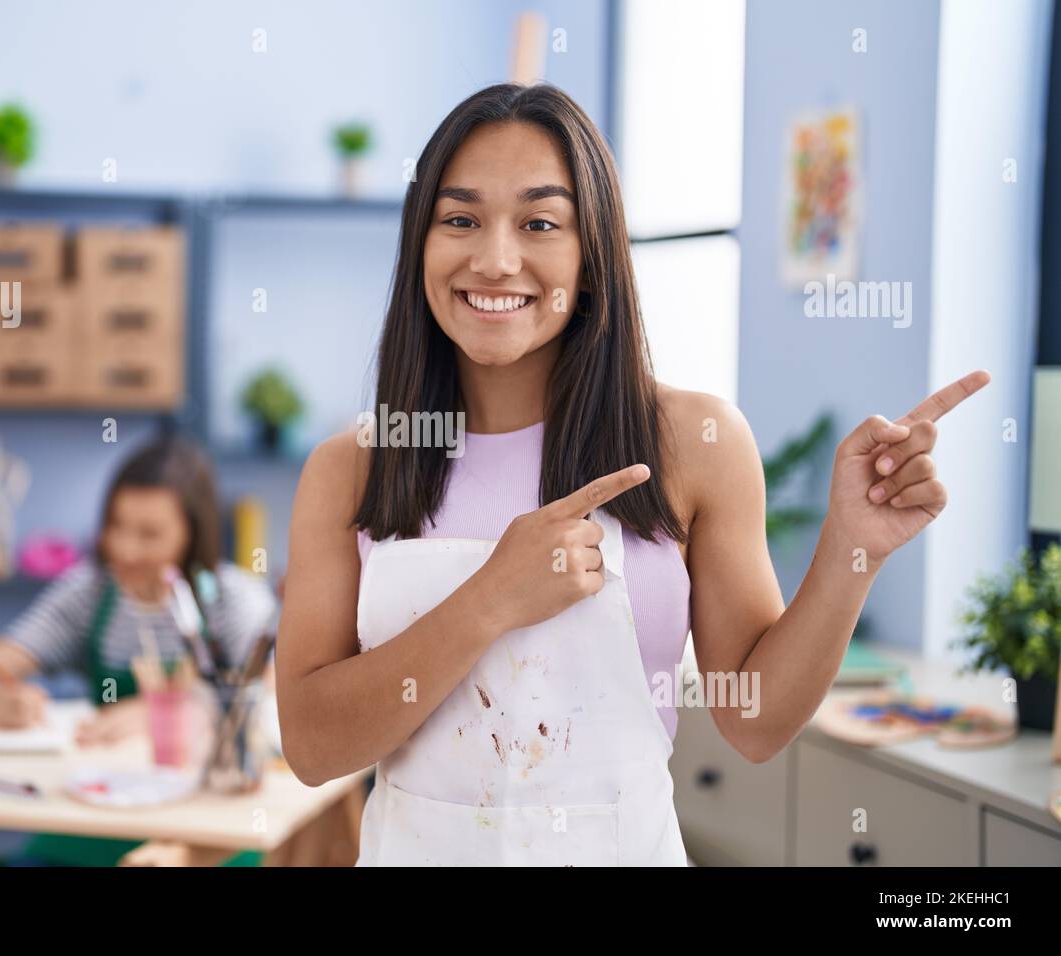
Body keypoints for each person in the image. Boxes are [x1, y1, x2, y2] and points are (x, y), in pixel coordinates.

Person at [274, 81, 989, 866]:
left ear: (593, 254)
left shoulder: (694, 441)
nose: (496, 258)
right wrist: (488, 601)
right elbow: (311, 747)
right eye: (461, 219)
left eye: (541, 222)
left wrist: (854, 547)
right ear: (421, 242)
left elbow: (754, 723)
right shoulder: (352, 469)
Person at [0, 436, 278, 865]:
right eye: (116, 525)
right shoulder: (87, 593)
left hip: (206, 831)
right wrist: (0, 700)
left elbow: (273, 701)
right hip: (94, 818)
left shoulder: (232, 599)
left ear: (193, 533)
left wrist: (178, 710)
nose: (126, 549)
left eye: (149, 534)